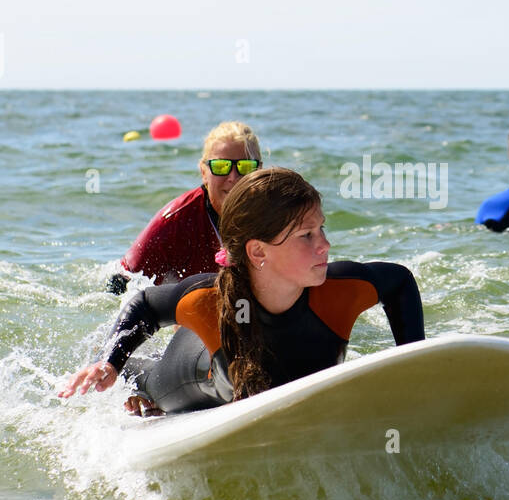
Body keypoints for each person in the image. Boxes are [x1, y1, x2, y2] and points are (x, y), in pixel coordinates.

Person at [62, 168, 425, 415]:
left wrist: (413, 365)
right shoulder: (209, 300)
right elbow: (144, 305)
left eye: (322, 230)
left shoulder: (339, 291)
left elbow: (400, 282)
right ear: (257, 252)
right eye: (307, 235)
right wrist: (110, 364)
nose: (325, 245)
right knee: (144, 375)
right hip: (179, 384)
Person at [107, 121, 263, 293]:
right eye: (221, 166)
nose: (233, 177)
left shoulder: (276, 216)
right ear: (204, 173)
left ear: (259, 171)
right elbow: (121, 282)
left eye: (246, 167)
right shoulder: (175, 221)